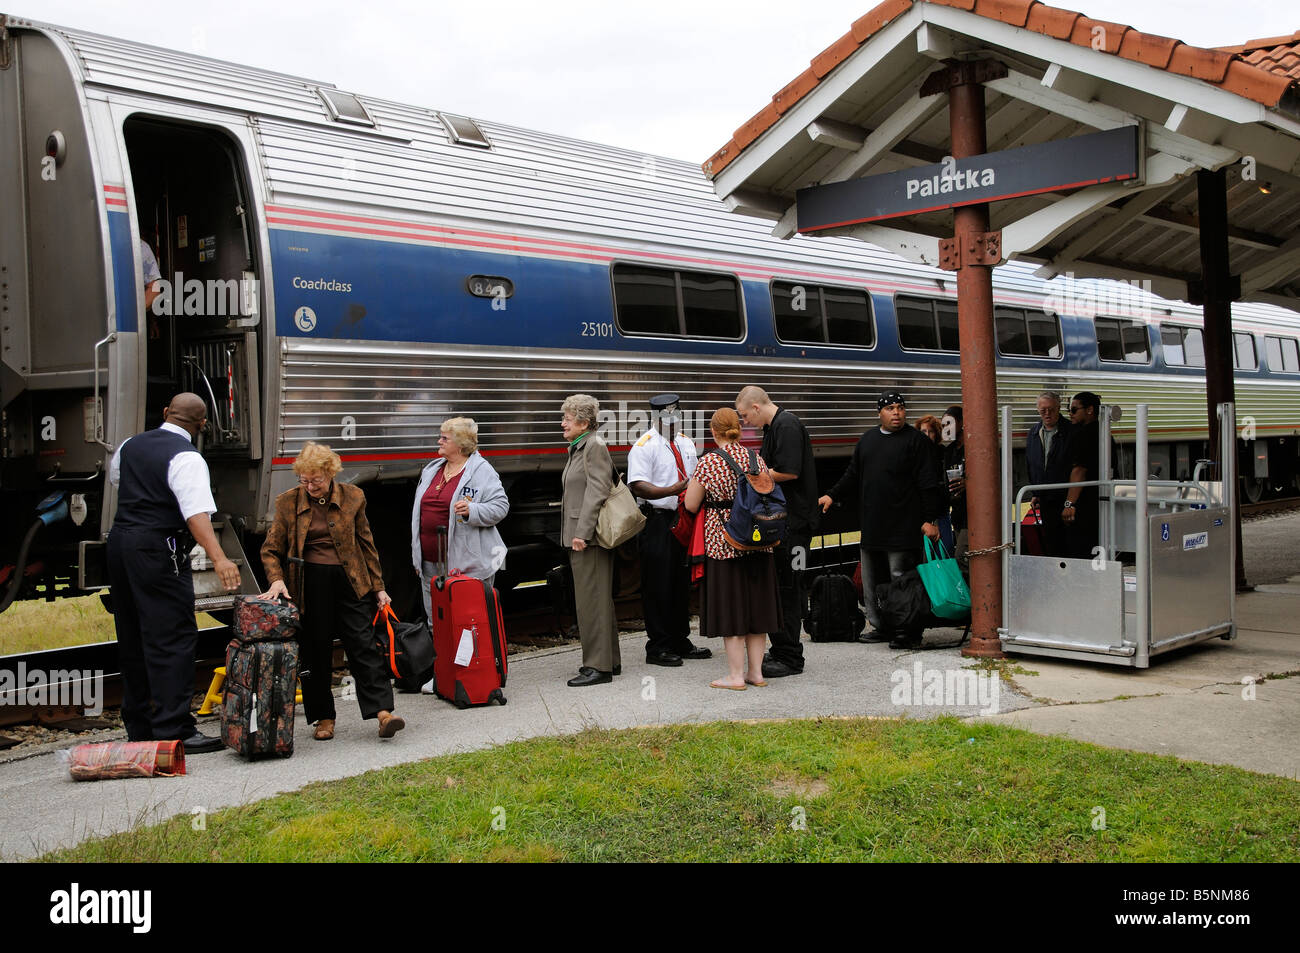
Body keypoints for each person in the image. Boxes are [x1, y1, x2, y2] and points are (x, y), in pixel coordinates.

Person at [106, 392, 240, 753]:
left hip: (120, 544)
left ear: (166, 413)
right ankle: (174, 728)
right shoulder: (188, 457)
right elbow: (196, 514)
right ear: (202, 426)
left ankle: (139, 726)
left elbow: (119, 482)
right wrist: (220, 558)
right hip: (156, 548)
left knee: (133, 635)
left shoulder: (130, 446)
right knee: (171, 637)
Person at [261, 442, 403, 741]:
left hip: (351, 581)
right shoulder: (288, 502)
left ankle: (382, 713)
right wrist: (276, 580)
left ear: (331, 474)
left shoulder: (353, 496)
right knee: (315, 650)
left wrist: (378, 588)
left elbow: (366, 544)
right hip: (308, 584)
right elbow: (271, 550)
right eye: (305, 480)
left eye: (316, 480)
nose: (310, 486)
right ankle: (323, 718)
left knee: (363, 644)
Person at [818, 391, 945, 649]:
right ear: (880, 413)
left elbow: (928, 483)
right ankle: (881, 626)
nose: (896, 412)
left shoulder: (916, 441)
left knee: (901, 579)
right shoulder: (868, 440)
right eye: (890, 408)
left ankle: (906, 630)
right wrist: (832, 494)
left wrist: (929, 519)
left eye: (900, 407)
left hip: (904, 526)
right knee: (873, 582)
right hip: (873, 525)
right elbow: (852, 474)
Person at [682, 408, 783, 690]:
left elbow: (691, 505)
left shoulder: (709, 462)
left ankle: (736, 677)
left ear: (714, 432)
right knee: (757, 610)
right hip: (759, 542)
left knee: (733, 609)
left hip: (723, 543)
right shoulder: (755, 458)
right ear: (737, 428)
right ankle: (757, 673)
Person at [735, 386, 817, 679]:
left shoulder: (787, 425)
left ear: (756, 407)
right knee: (784, 587)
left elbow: (790, 471)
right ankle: (784, 648)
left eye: (745, 416)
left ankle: (790, 656)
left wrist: (756, 476)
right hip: (787, 523)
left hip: (796, 526)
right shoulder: (774, 428)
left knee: (790, 588)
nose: (746, 423)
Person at [627, 394, 710, 667]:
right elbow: (638, 485)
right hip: (658, 521)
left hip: (684, 517)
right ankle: (658, 646)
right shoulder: (643, 446)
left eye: (676, 418)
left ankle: (680, 639)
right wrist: (673, 490)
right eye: (667, 419)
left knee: (680, 582)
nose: (672, 424)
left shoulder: (686, 442)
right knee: (657, 585)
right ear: (656, 419)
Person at [410, 417, 510, 620]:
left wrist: (472, 510)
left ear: (460, 443)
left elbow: (501, 507)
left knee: (466, 620)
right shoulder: (433, 469)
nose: (439, 442)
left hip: (466, 564)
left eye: (444, 438)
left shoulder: (482, 471)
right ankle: (441, 652)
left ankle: (468, 654)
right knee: (436, 620)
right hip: (430, 562)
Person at [560, 394, 621, 687]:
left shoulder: (593, 447)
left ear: (583, 422)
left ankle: (599, 666)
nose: (563, 424)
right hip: (583, 534)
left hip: (589, 536)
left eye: (567, 419)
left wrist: (581, 533)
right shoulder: (580, 446)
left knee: (591, 600)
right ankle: (609, 660)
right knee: (596, 598)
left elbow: (597, 491)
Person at [1025, 391, 1072, 557]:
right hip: (1045, 497)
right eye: (1043, 410)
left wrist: (1070, 501)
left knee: (1067, 542)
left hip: (1065, 495)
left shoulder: (1070, 432)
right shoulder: (1033, 433)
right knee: (1051, 541)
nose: (1047, 413)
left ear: (1058, 408)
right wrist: (1036, 492)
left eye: (1051, 409)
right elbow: (1032, 463)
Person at [1062, 391, 1105, 560]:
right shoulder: (1102, 432)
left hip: (1084, 504)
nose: (1070, 414)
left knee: (1080, 549)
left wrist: (1069, 503)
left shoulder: (1083, 435)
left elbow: (1079, 470)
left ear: (1089, 410)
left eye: (1074, 410)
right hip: (1097, 501)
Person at [941, 405, 968, 567]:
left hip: (971, 515)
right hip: (957, 513)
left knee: (961, 558)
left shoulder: (972, 448)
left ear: (962, 423)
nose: (946, 429)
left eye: (949, 424)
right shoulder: (949, 451)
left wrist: (968, 483)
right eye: (943, 425)